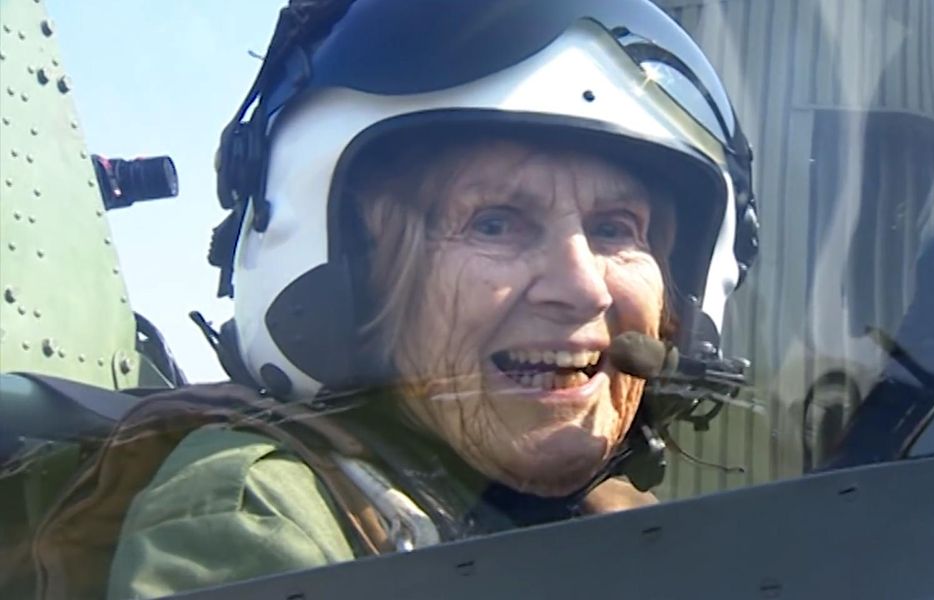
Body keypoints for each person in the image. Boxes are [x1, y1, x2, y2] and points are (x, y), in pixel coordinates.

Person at [31, 1, 759, 599]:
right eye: (496, 223)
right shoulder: (259, 519)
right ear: (354, 281)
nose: (580, 286)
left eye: (614, 229)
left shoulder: (614, 518)